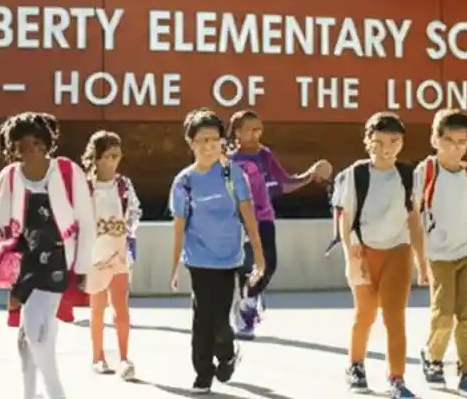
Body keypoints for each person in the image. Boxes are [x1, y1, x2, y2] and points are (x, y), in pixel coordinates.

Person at [0, 111, 96, 399]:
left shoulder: (67, 171)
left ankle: (55, 392)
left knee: (34, 325)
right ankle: (29, 395)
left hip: (56, 261)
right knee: (28, 338)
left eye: (36, 143)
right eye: (22, 146)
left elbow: (86, 221)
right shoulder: (10, 176)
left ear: (46, 143)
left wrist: (83, 268)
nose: (30, 151)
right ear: (12, 149)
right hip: (22, 263)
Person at [169, 108, 265, 395]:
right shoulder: (184, 181)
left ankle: (226, 354)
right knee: (202, 318)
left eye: (214, 139)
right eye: (202, 140)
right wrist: (174, 266)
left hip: (228, 259)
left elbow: (248, 216)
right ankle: (202, 373)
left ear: (222, 141)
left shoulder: (231, 174)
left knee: (220, 319)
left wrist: (259, 256)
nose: (208, 146)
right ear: (191, 143)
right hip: (198, 260)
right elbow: (179, 226)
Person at [337, 111, 428, 399]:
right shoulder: (356, 174)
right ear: (367, 142)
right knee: (364, 314)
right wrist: (351, 256)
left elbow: (413, 219)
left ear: (401, 143)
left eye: (393, 141)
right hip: (363, 251)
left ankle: (397, 377)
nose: (385, 148)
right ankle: (355, 365)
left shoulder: (407, 175)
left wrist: (421, 262)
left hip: (397, 252)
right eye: (377, 141)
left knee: (395, 316)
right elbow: (345, 215)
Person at [226, 110, 332, 339]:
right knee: (245, 266)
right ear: (237, 132)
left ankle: (249, 299)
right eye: (249, 129)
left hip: (264, 218)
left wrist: (310, 175)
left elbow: (284, 183)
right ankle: (244, 317)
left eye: (258, 129)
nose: (255, 134)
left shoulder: (265, 155)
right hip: (238, 222)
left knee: (269, 264)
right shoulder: (229, 161)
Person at [415, 109, 467, 398]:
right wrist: (419, 259)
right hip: (437, 256)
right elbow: (413, 214)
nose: (455, 148)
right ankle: (432, 357)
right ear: (435, 139)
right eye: (449, 140)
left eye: (462, 142)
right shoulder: (427, 171)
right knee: (443, 313)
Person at [81, 130, 141, 381]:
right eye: (107, 156)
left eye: (117, 155)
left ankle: (125, 356)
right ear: (95, 158)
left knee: (121, 309)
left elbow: (135, 210)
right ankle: (97, 356)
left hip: (119, 252)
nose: (113, 161)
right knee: (97, 309)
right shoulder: (86, 186)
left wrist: (128, 230)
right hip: (95, 255)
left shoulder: (123, 185)